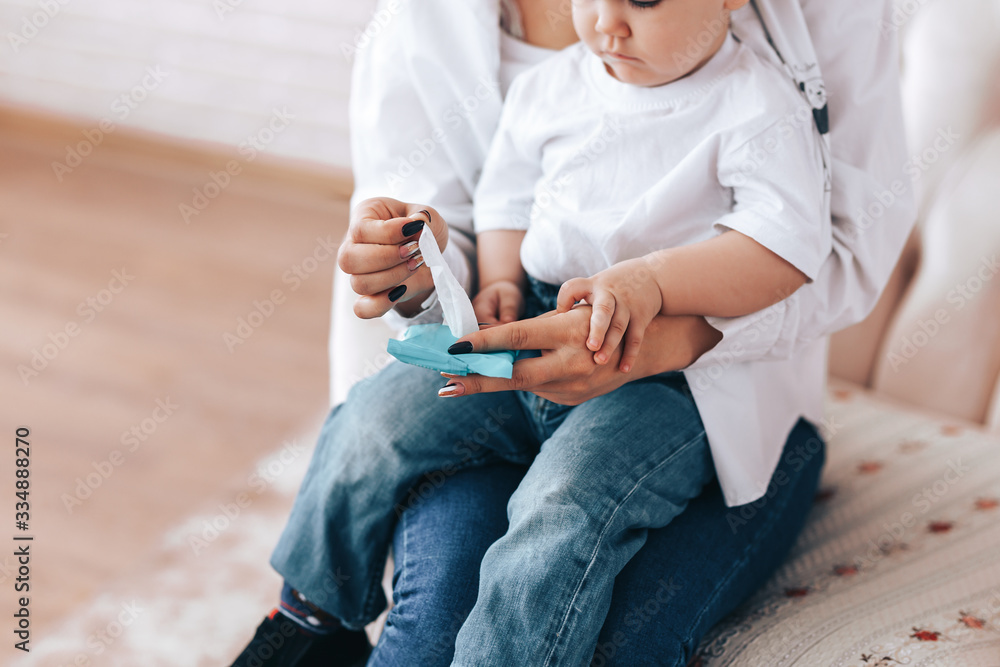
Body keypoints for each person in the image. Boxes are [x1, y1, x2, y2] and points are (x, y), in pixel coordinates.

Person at [230, 0, 915, 664]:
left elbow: (788, 248)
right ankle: (311, 613)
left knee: (561, 507)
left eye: (643, 1)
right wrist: (489, 277)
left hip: (663, 380)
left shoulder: (761, 108)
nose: (606, 23)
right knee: (374, 421)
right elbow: (503, 197)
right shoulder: (553, 84)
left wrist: (652, 290)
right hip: (527, 325)